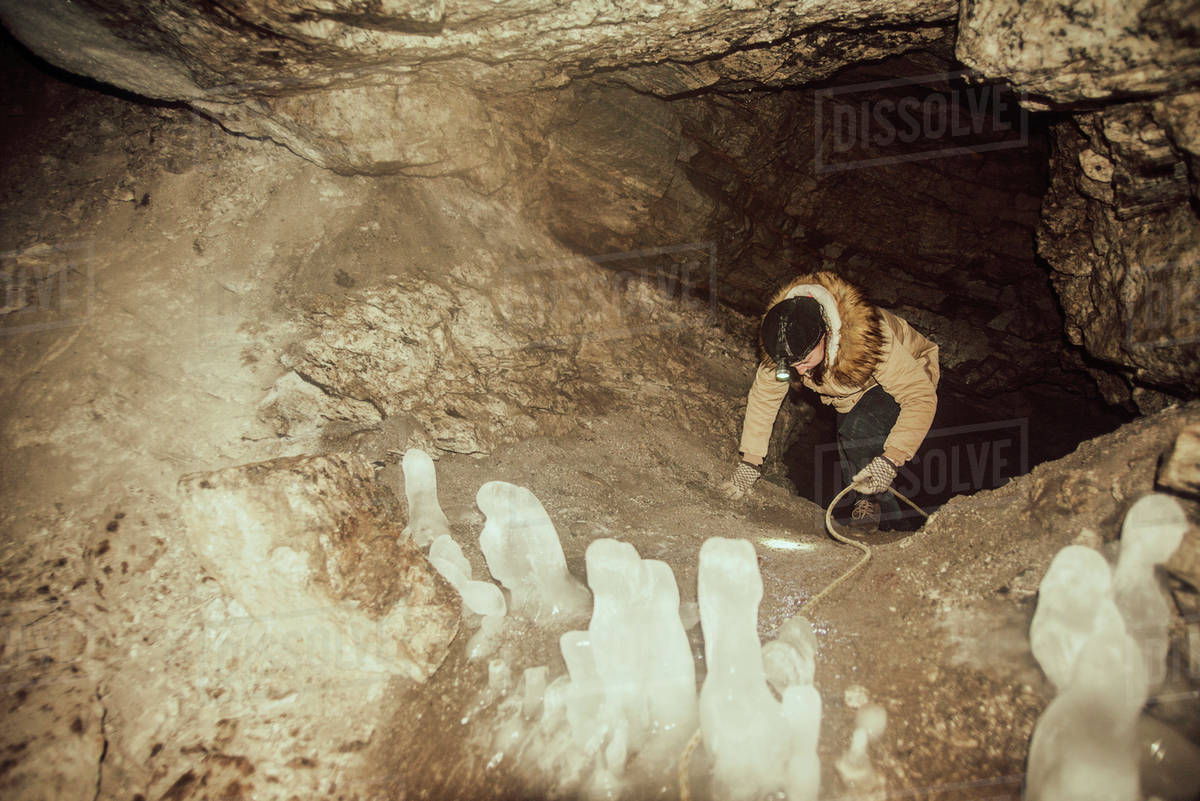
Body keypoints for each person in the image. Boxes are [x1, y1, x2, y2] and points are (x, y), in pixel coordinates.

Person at [721, 271, 940, 532]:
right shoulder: (783, 342)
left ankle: (890, 523)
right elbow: (764, 398)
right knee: (851, 445)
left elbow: (919, 396)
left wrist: (891, 459)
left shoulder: (872, 338)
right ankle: (876, 507)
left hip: (907, 371)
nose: (799, 373)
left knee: (859, 430)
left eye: (804, 362)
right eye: (793, 365)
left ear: (826, 332)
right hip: (849, 389)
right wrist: (750, 461)